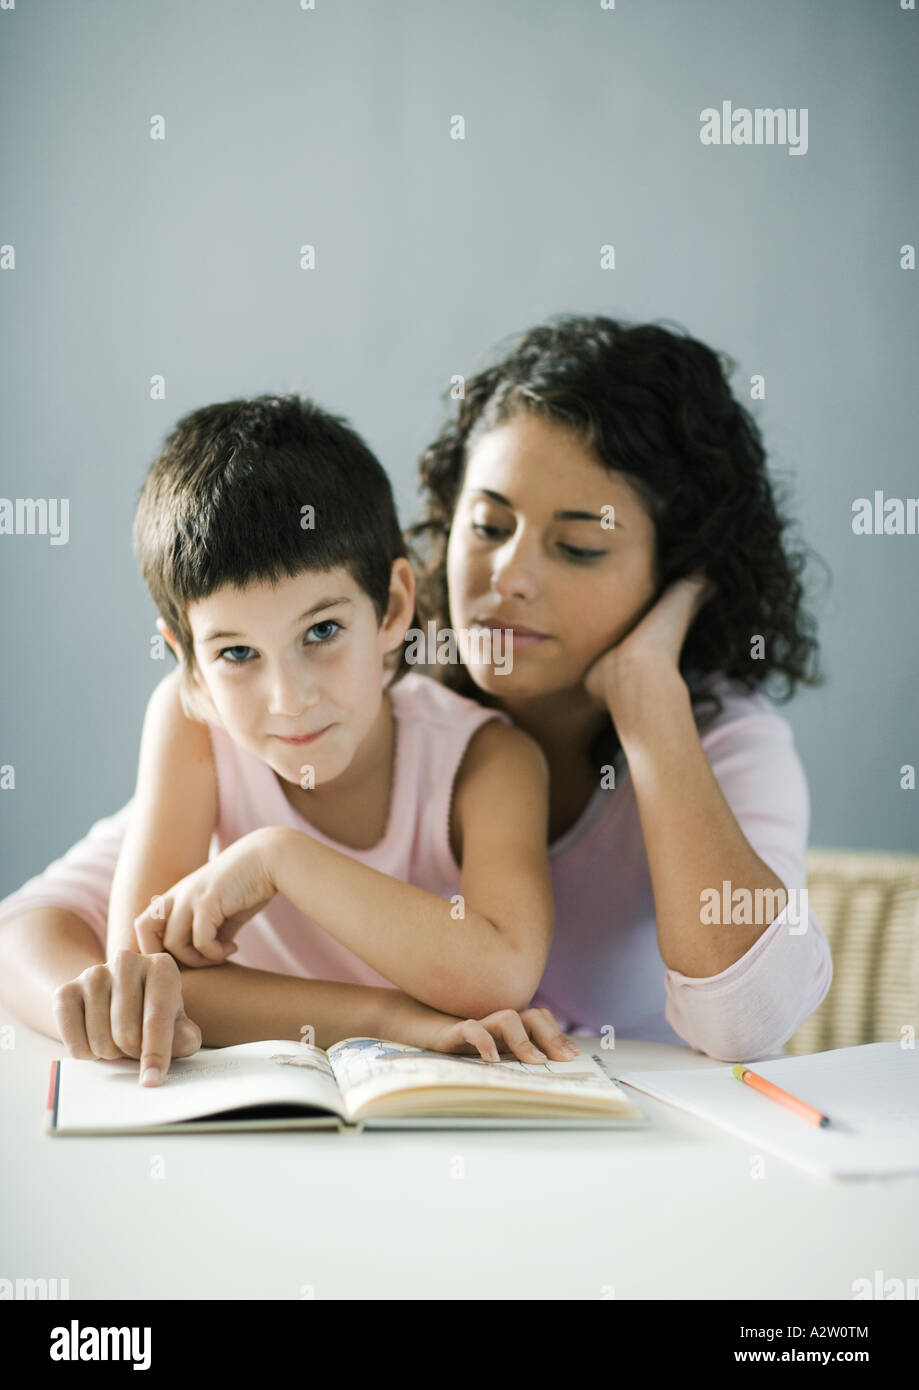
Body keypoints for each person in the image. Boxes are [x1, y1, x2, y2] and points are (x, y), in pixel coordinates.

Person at [0, 315, 833, 1069]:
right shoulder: (361, 697)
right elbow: (46, 930)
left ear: (673, 575)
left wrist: (649, 705)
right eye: (488, 526)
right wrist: (132, 1010)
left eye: (578, 547)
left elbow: (745, 1025)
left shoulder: (720, 743)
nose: (509, 579)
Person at [0, 394, 578, 1082]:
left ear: (393, 608)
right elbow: (149, 981)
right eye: (237, 654)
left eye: (322, 632)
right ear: (188, 662)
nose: (289, 699)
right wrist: (394, 1022)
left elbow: (499, 973)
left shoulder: (488, 759)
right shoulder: (191, 725)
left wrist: (282, 859)